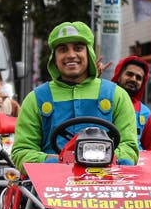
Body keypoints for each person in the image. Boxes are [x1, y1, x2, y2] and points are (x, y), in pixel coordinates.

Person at [11, 21, 139, 171]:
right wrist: (50, 161)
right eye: (63, 49)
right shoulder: (36, 99)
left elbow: (129, 147)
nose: (71, 55)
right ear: (54, 57)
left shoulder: (117, 95)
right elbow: (21, 151)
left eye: (78, 48)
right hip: (49, 185)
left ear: (89, 53)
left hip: (107, 184)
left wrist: (104, 157)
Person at [110, 55, 151, 151]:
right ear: (119, 76)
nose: (133, 79)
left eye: (138, 78)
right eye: (129, 74)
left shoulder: (145, 113)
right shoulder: (102, 100)